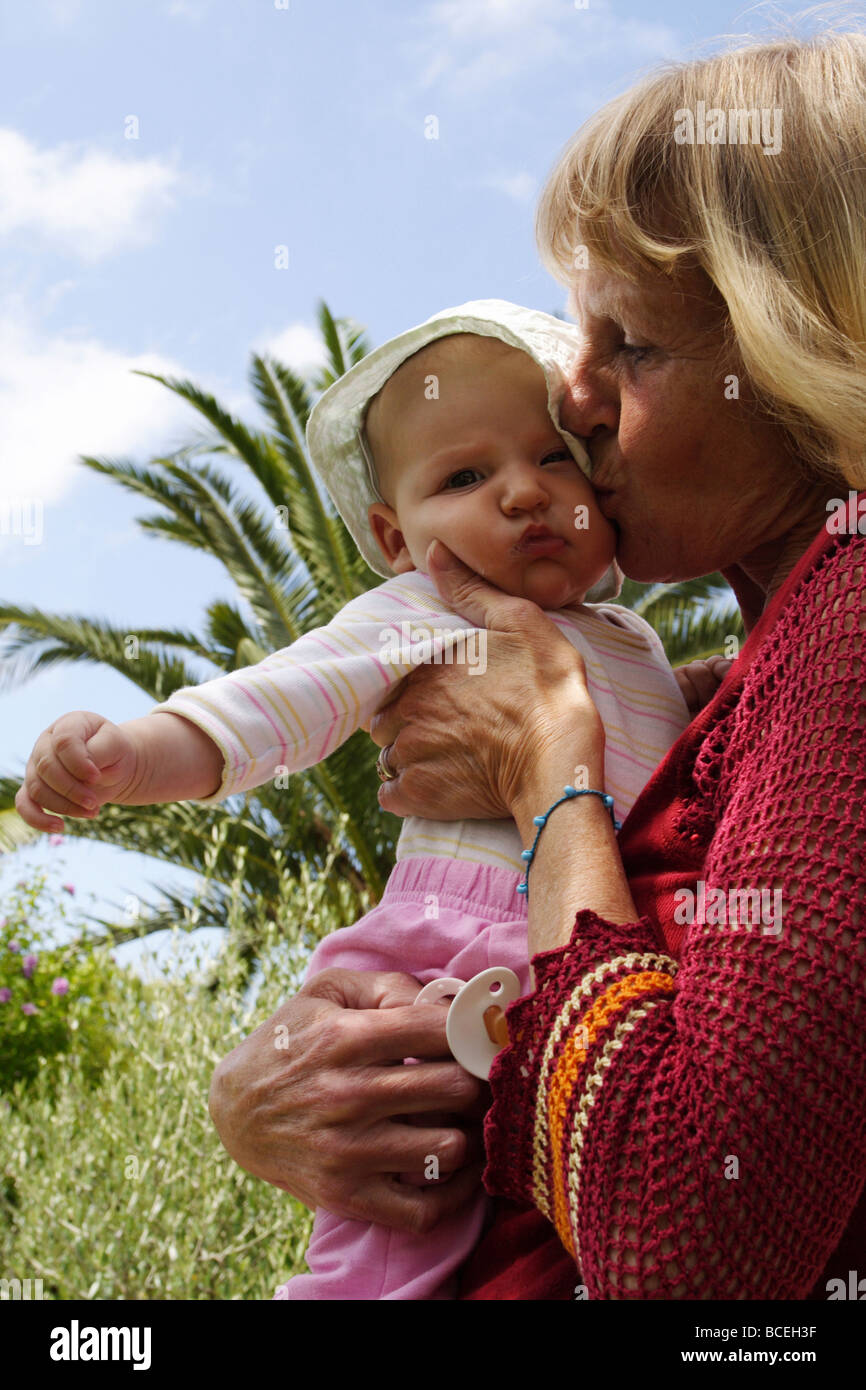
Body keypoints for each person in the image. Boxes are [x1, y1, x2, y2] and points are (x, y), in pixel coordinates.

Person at [204, 24, 866, 1300]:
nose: (575, 398)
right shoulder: (741, 681)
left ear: (801, 353)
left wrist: (547, 776)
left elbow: (691, 1240)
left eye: (633, 348)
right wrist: (286, 1089)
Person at [15, 300, 704, 1298]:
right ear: (394, 534)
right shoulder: (419, 612)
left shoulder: (639, 645)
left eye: (551, 458)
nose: (520, 492)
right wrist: (129, 754)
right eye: (464, 478)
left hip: (588, 955)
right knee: (398, 1219)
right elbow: (277, 705)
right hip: (441, 961)